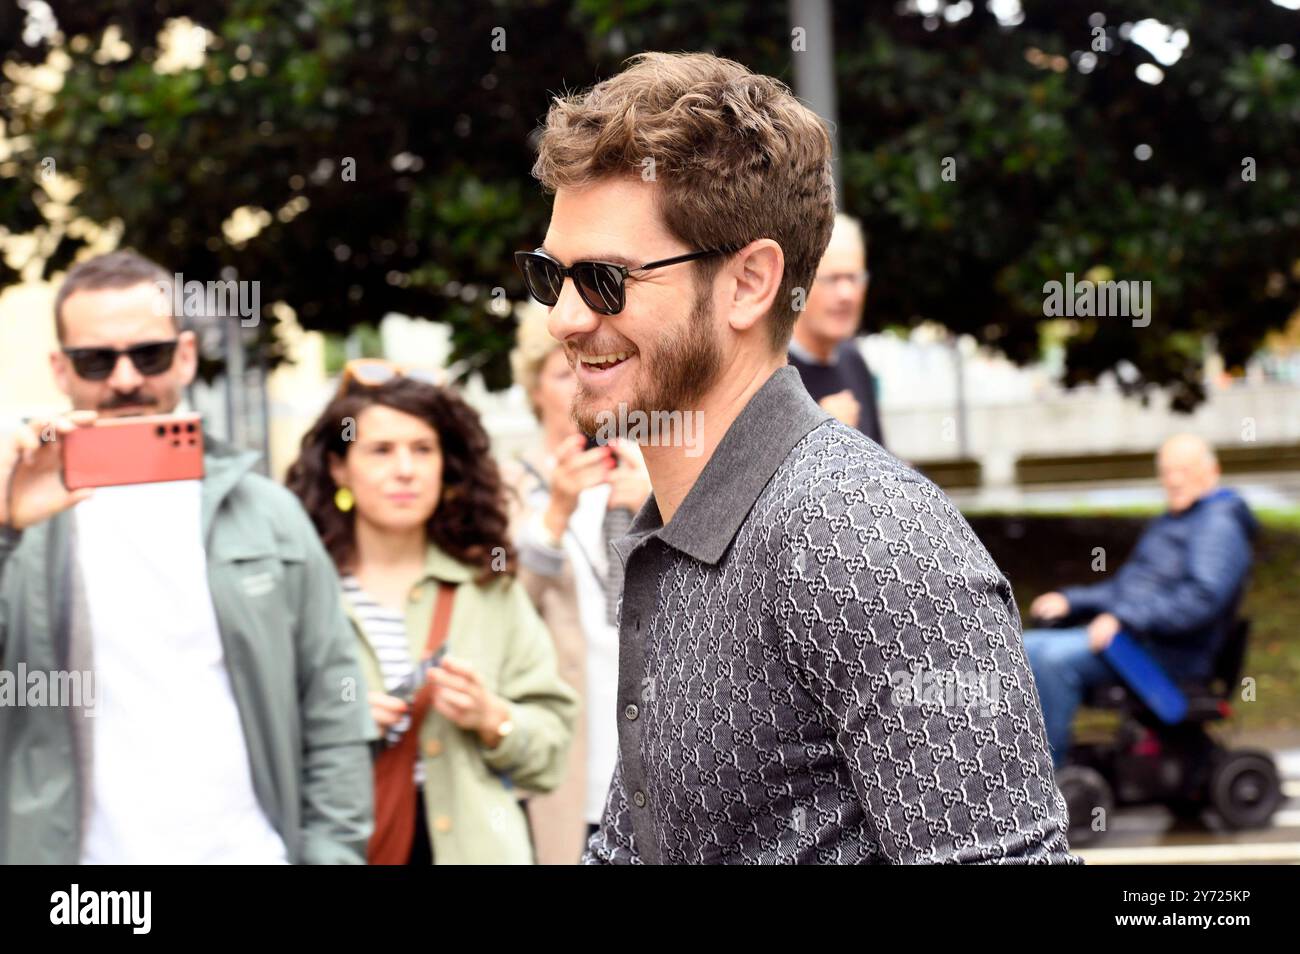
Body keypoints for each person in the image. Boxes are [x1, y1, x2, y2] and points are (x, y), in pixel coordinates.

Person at [517, 52, 1077, 864]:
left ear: (749, 283)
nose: (563, 318)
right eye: (548, 275)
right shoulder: (673, 531)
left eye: (604, 279)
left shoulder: (860, 536)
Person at [0, 249, 373, 864]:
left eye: (147, 354)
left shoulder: (268, 514)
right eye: (96, 360)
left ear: (185, 355)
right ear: (60, 369)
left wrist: (330, 855)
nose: (124, 380)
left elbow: (331, 700)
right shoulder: (20, 520)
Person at [285, 362, 578, 864]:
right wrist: (339, 723)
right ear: (339, 468)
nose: (405, 469)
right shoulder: (296, 591)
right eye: (380, 450)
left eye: (423, 449)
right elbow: (251, 743)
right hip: (344, 847)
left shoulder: (488, 587)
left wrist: (494, 719)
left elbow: (550, 752)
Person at [505, 303, 652, 863]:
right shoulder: (510, 487)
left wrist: (655, 508)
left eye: (587, 365)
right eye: (562, 371)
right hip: (572, 740)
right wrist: (553, 516)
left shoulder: (646, 467)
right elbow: (509, 606)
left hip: (652, 727)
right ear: (534, 387)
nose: (579, 380)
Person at [1025, 434, 1257, 769]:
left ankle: (1046, 772)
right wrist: (1071, 600)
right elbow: (1128, 589)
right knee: (1026, 647)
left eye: (1185, 469)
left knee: (1051, 661)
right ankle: (1021, 760)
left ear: (1212, 471)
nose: (1174, 480)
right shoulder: (1176, 519)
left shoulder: (1218, 525)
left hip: (1170, 654)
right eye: (1167, 471)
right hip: (1135, 641)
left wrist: (1126, 619)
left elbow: (1200, 599)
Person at [787, 213, 885, 446]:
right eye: (832, 279)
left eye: (854, 278)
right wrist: (819, 434)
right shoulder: (772, 372)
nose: (847, 294)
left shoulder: (854, 361)